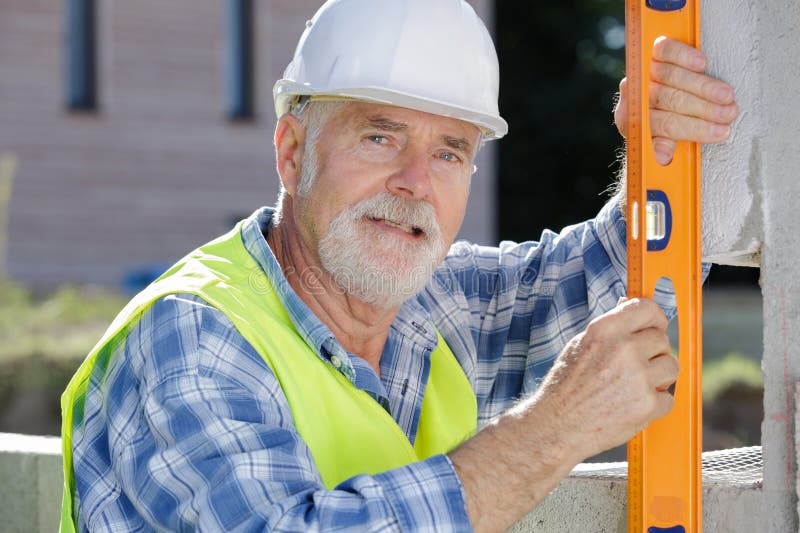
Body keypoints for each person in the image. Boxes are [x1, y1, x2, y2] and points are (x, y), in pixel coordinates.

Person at [60, 1, 739, 531]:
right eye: (380, 135)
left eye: (449, 151)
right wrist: (550, 432)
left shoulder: (434, 307)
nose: (415, 181)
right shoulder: (194, 339)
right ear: (292, 152)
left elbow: (616, 273)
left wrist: (666, 148)